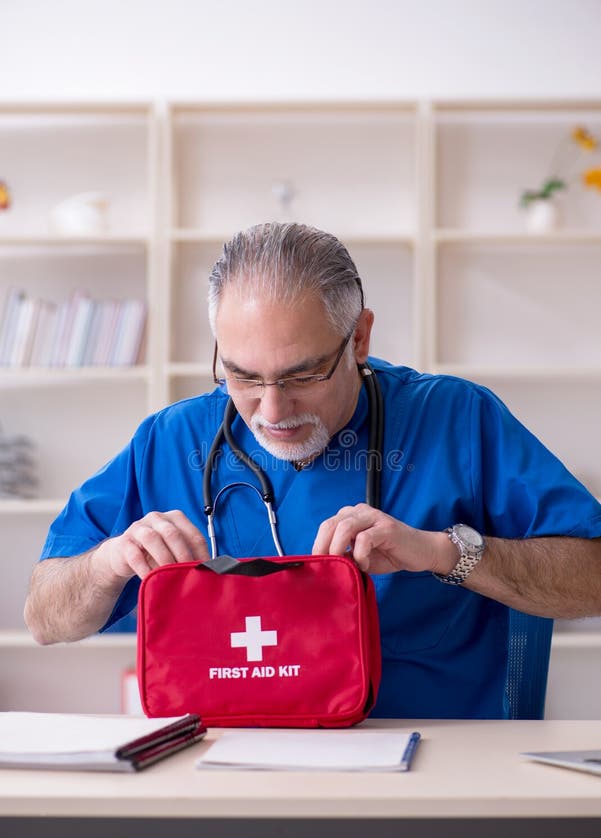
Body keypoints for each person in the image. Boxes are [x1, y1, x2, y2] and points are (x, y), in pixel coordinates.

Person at [25, 222, 601, 718]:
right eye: (243, 376)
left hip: (422, 782)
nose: (271, 412)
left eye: (302, 376)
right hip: (219, 778)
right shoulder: (173, 441)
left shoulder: (454, 420)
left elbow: (592, 576)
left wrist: (443, 553)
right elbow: (45, 618)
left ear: (359, 339)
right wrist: (106, 563)